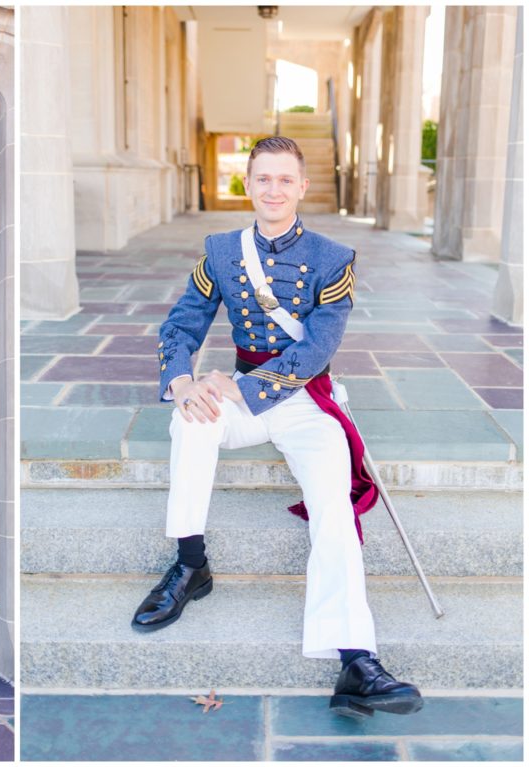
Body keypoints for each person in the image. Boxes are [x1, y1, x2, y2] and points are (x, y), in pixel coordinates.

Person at [131, 136, 422, 719]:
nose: (273, 189)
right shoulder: (219, 251)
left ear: (301, 187)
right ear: (249, 185)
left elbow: (317, 349)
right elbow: (182, 322)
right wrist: (184, 383)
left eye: (284, 179)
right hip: (238, 396)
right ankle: (191, 564)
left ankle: (356, 658)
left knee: (334, 509)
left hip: (304, 402)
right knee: (189, 422)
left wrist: (237, 386)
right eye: (262, 178)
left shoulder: (333, 259)